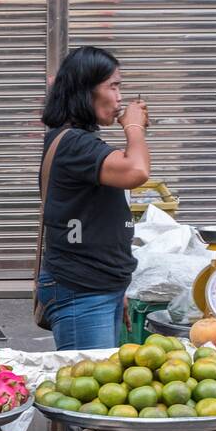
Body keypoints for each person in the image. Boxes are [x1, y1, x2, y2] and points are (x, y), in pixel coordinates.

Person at [37, 46, 151, 350]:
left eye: (120, 87)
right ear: (84, 90)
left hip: (98, 288)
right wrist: (135, 127)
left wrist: (115, 288)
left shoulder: (81, 141)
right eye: (112, 86)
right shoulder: (73, 144)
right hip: (82, 291)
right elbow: (136, 170)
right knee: (88, 392)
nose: (118, 98)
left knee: (101, 388)